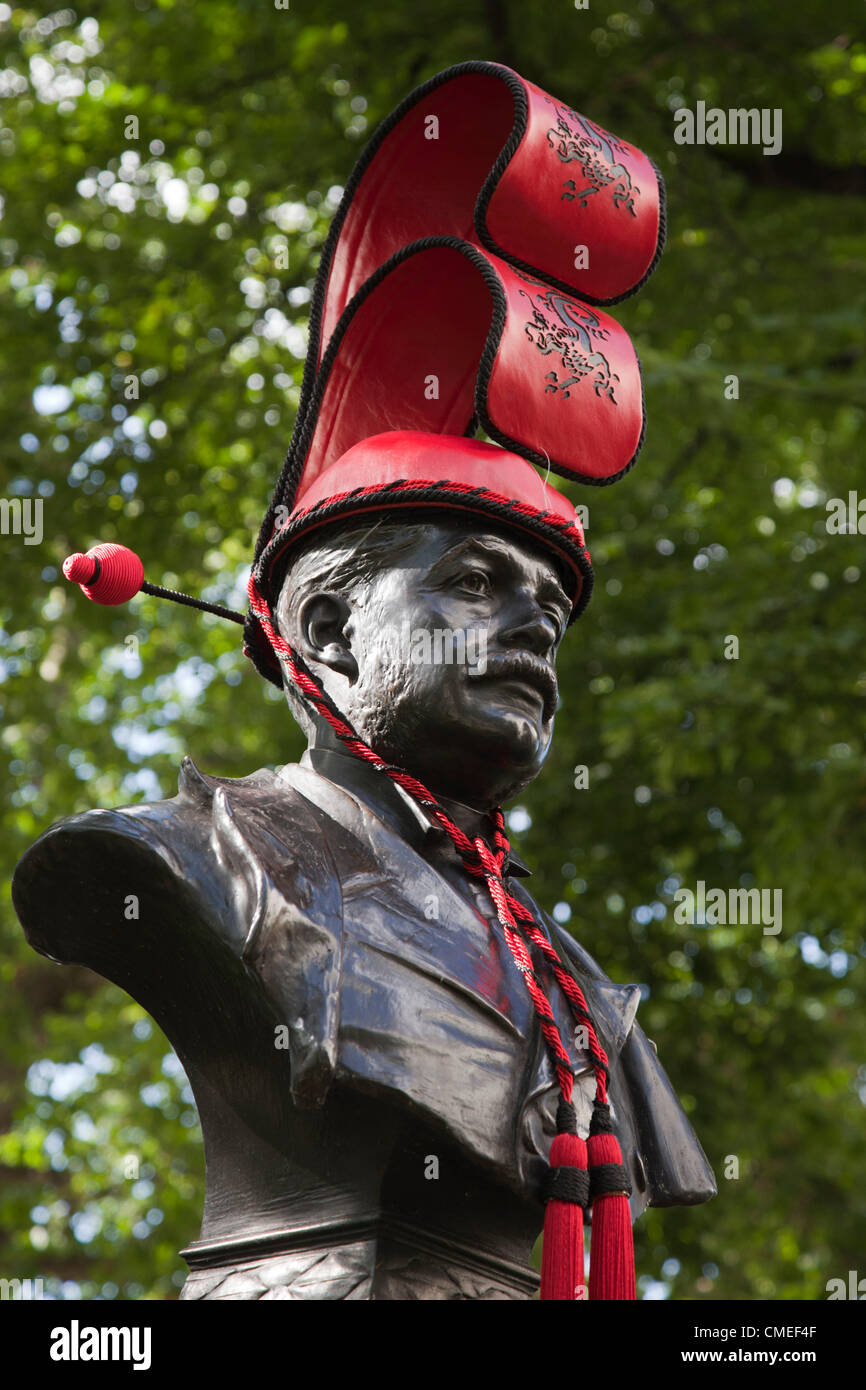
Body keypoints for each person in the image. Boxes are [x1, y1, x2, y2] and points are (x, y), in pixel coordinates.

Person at [13, 440, 716, 1301]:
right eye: (475, 584)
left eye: (553, 611)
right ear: (330, 634)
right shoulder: (188, 856)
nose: (536, 628)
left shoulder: (574, 991)